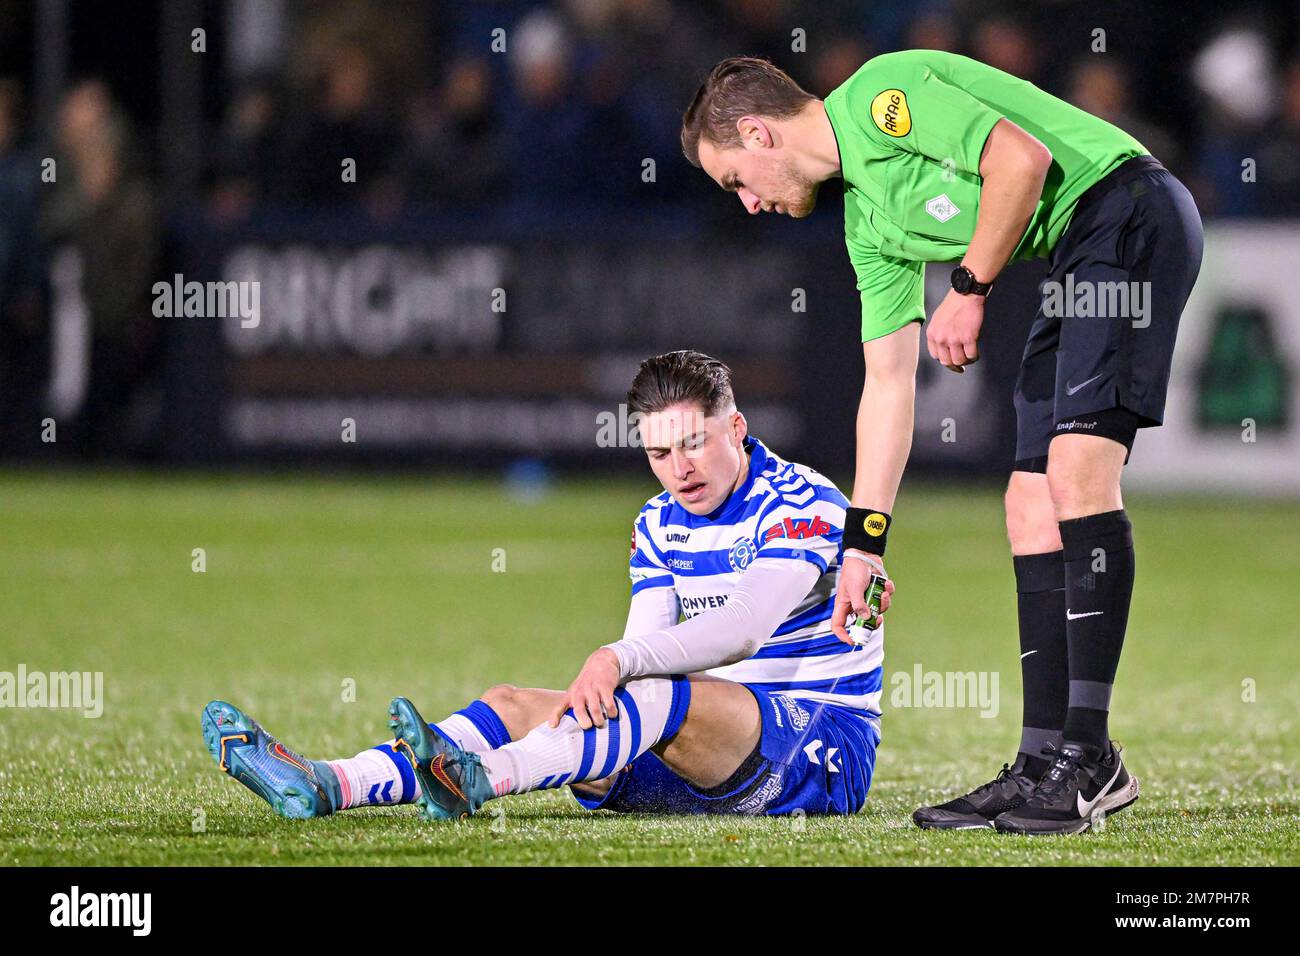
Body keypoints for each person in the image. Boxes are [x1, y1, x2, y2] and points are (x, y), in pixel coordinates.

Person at [680, 51, 1203, 835]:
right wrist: (864, 544)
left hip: (1129, 211)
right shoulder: (867, 223)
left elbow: (1019, 161)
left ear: (756, 134)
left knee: (1076, 473)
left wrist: (969, 288)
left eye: (736, 181)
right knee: (1028, 504)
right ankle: (1041, 760)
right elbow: (887, 387)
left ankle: (1088, 755)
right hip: (1077, 250)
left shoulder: (880, 98)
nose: (747, 204)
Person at [203, 351, 883, 820]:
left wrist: (618, 662)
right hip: (701, 753)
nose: (679, 468)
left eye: (695, 443)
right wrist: (615, 671)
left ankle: (483, 780)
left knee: (644, 687)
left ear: (735, 427)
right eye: (658, 452)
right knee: (513, 703)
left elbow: (745, 629)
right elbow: (645, 645)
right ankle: (332, 783)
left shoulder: (802, 500)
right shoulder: (656, 523)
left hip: (816, 750)